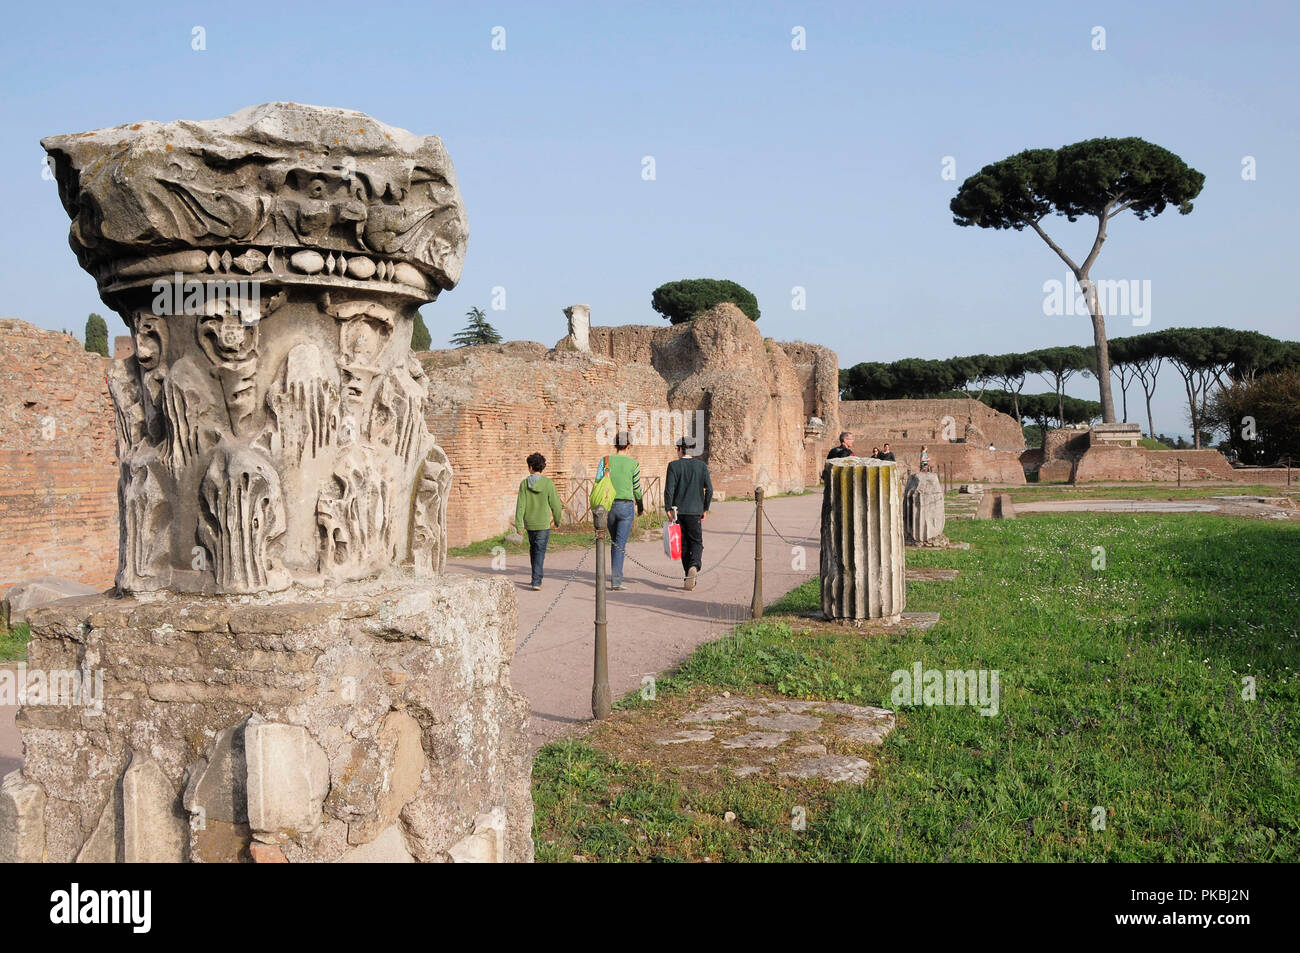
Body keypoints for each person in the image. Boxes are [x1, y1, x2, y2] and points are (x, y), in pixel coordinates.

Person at [664, 436, 714, 591]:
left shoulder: (673, 466)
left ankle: (688, 574)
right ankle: (694, 566)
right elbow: (709, 490)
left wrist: (668, 508)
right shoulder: (701, 466)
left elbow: (669, 490)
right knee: (697, 542)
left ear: (680, 449)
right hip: (695, 511)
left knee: (684, 545)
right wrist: (704, 508)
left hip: (678, 512)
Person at [596, 432, 643, 590]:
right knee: (619, 543)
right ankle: (616, 580)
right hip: (625, 507)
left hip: (608, 506)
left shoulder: (605, 461)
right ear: (629, 445)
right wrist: (641, 505)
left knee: (614, 541)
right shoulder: (633, 464)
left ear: (615, 444)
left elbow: (598, 481)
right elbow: (637, 488)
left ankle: (613, 576)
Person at [515, 452, 562, 590]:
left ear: (530, 467)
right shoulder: (548, 484)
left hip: (529, 524)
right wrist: (558, 520)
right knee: (540, 551)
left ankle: (535, 577)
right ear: (543, 468)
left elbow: (520, 505)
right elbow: (556, 504)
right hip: (543, 524)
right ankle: (536, 581)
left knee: (533, 550)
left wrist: (519, 525)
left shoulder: (524, 484)